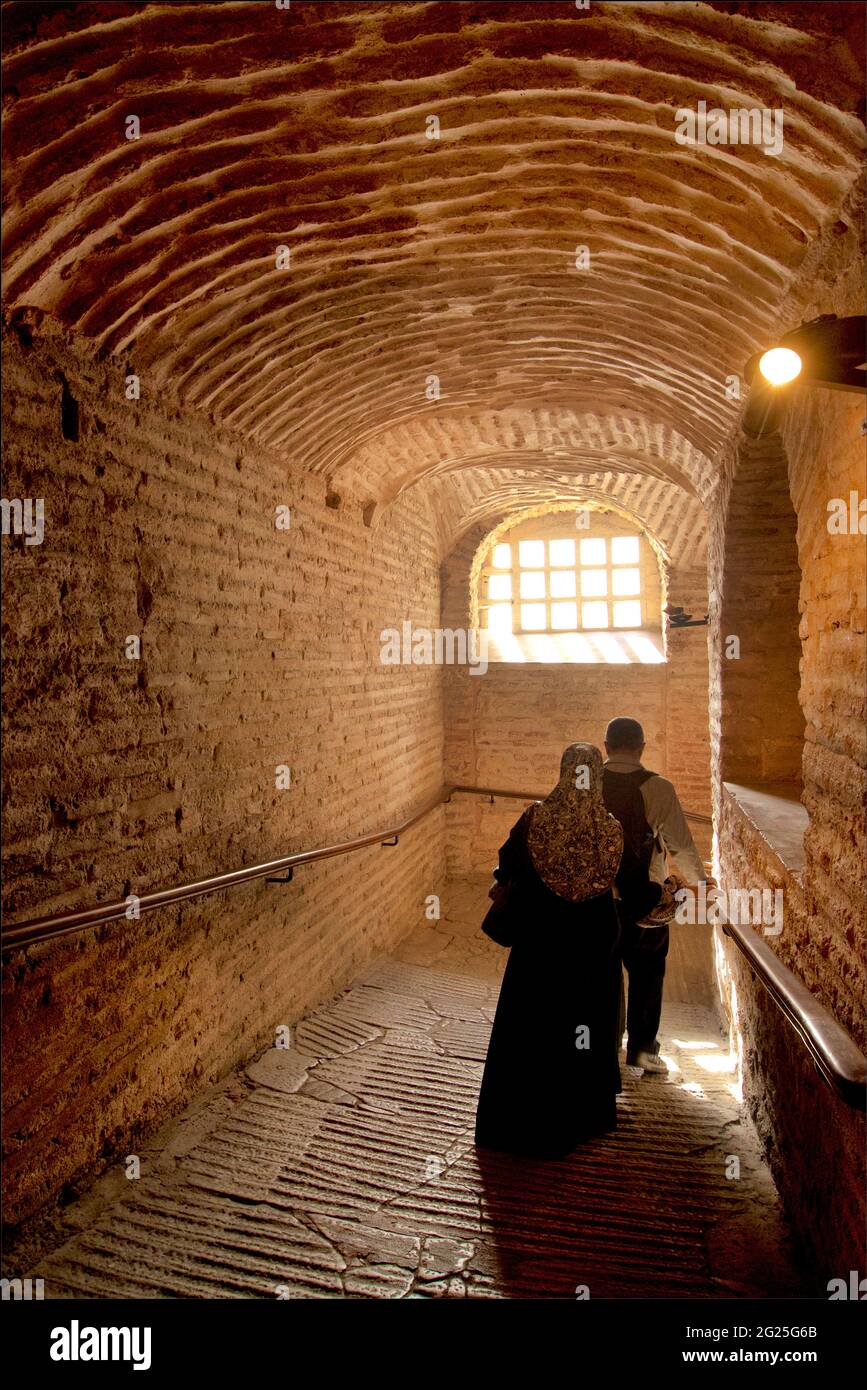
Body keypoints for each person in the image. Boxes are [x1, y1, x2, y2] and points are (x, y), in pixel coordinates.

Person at [474, 742, 660, 1159]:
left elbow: (506, 867)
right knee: (582, 1027)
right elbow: (634, 888)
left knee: (531, 1022)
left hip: (538, 940)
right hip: (590, 944)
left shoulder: (535, 819)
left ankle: (515, 1120)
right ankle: (576, 1118)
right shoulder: (609, 829)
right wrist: (663, 895)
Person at [601, 716, 710, 1075]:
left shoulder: (588, 782)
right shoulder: (658, 788)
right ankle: (643, 1050)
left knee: (602, 970)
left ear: (606, 747)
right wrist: (701, 884)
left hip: (596, 899)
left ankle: (603, 1044)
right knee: (647, 973)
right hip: (644, 899)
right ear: (642, 748)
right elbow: (680, 844)